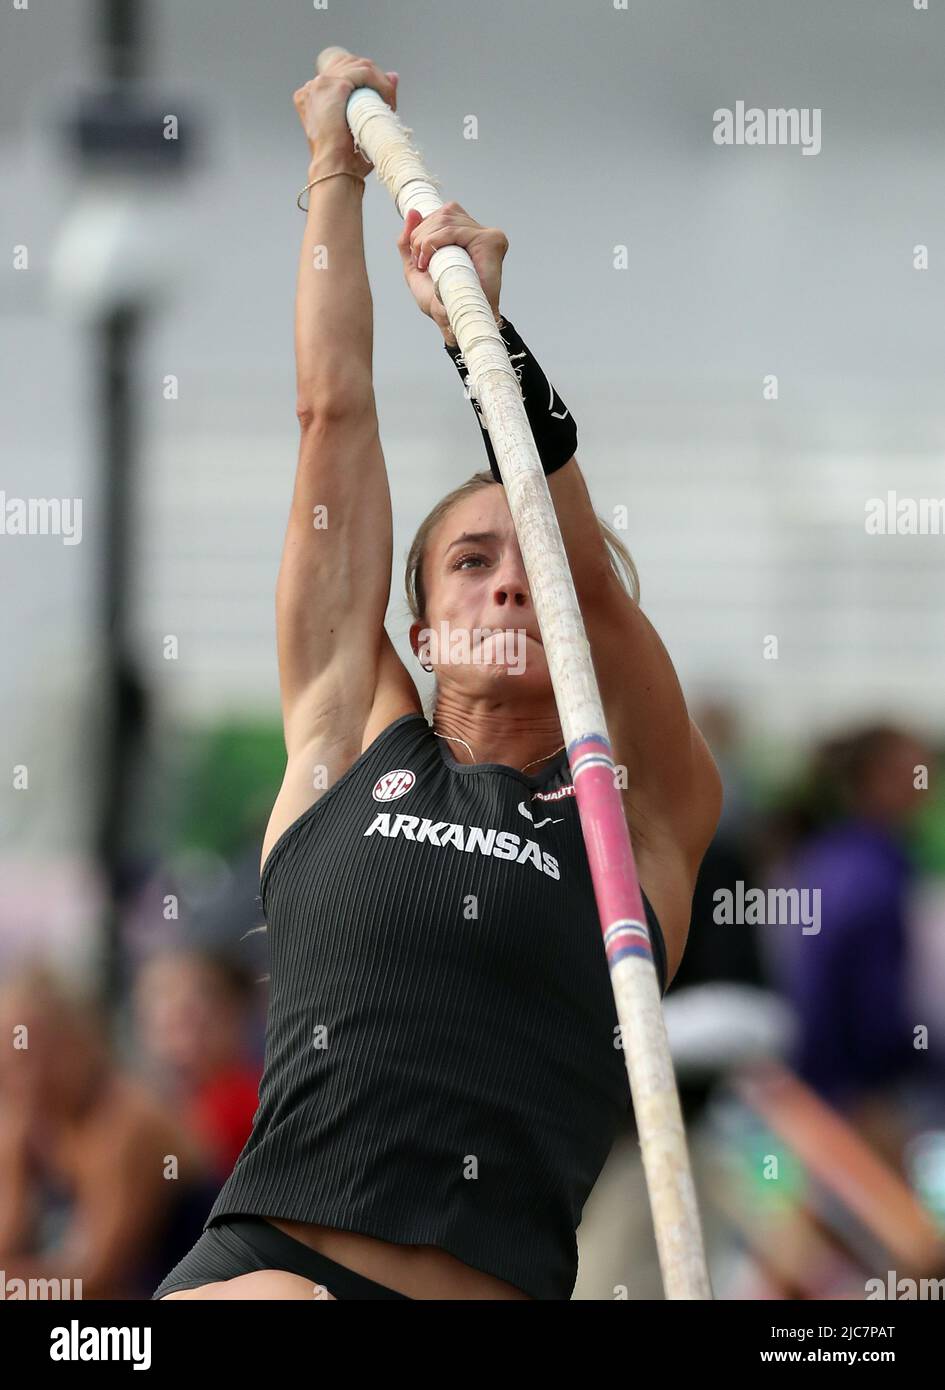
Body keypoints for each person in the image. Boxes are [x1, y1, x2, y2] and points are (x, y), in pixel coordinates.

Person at [152, 51, 721, 1302]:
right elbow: (332, 416)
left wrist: (487, 344)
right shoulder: (348, 742)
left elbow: (589, 578)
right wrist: (332, 170)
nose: (510, 583)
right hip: (267, 1267)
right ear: (417, 621)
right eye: (471, 561)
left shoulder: (636, 826)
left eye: (532, 565)